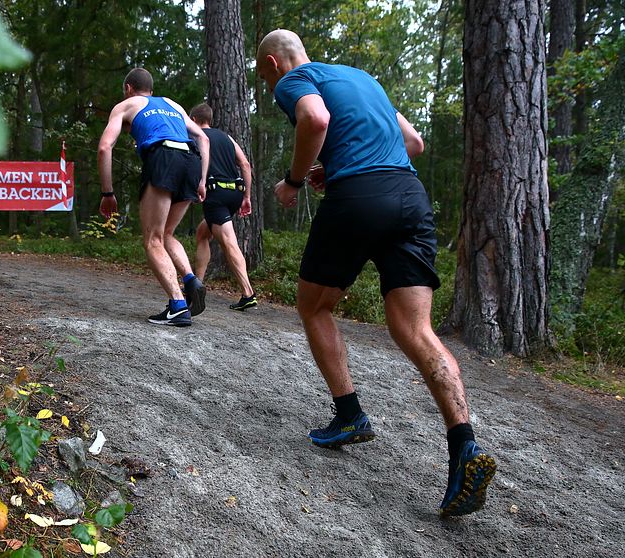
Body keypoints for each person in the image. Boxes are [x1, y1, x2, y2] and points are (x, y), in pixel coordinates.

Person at [255, 29, 496, 518]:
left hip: (358, 199)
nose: (270, 84)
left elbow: (315, 118)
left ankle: (349, 415)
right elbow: (413, 142)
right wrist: (339, 163)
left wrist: (294, 180)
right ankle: (464, 446)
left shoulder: (295, 79)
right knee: (416, 329)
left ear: (274, 64)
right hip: (410, 197)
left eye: (265, 76)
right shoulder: (363, 79)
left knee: (314, 306)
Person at [97, 68, 210, 326]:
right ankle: (191, 279)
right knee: (166, 233)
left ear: (128, 88)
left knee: (152, 240)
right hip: (191, 161)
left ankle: (178, 305)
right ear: (151, 89)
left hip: (163, 158)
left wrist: (108, 193)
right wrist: (202, 180)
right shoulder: (172, 104)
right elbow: (203, 138)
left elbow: (105, 147)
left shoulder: (126, 105)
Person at [188, 103, 258, 311]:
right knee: (203, 233)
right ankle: (197, 285)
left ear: (193, 120)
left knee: (229, 242)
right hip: (235, 193)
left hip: (215, 194)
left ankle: (248, 293)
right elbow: (245, 164)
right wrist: (246, 197)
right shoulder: (227, 137)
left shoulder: (196, 136)